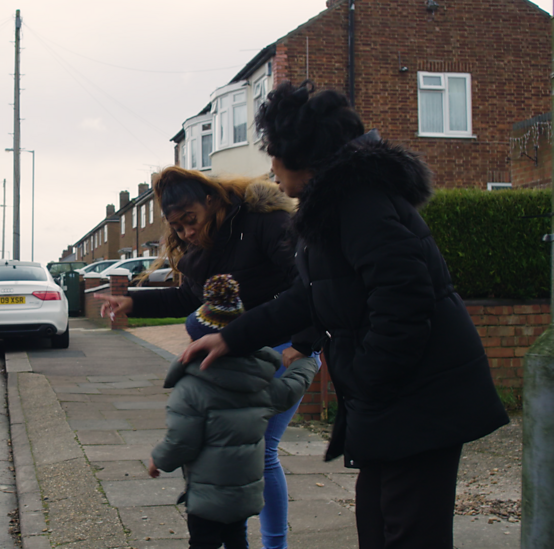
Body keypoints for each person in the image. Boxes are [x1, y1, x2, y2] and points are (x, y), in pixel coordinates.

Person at [180, 80, 509, 549]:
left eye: (273, 153)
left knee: (409, 531)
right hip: (392, 401)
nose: (270, 166)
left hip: (419, 399)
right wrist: (232, 337)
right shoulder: (334, 207)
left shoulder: (362, 205)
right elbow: (306, 297)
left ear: (303, 157)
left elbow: (405, 304)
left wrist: (368, 379)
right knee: (378, 522)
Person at [98, 166, 312, 549]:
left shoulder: (263, 221)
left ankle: (274, 545)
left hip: (283, 348)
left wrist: (306, 342)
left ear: (211, 200)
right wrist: (132, 299)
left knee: (261, 449)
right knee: (243, 450)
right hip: (236, 349)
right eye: (178, 227)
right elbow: (191, 298)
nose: (186, 232)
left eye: (190, 220)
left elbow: (308, 282)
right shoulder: (200, 246)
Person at [148, 274, 319, 549]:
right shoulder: (262, 382)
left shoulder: (192, 387)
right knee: (236, 538)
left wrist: (160, 460)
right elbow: (291, 389)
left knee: (203, 542)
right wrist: (308, 360)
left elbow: (182, 439)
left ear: (197, 340)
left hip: (206, 494)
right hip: (243, 494)